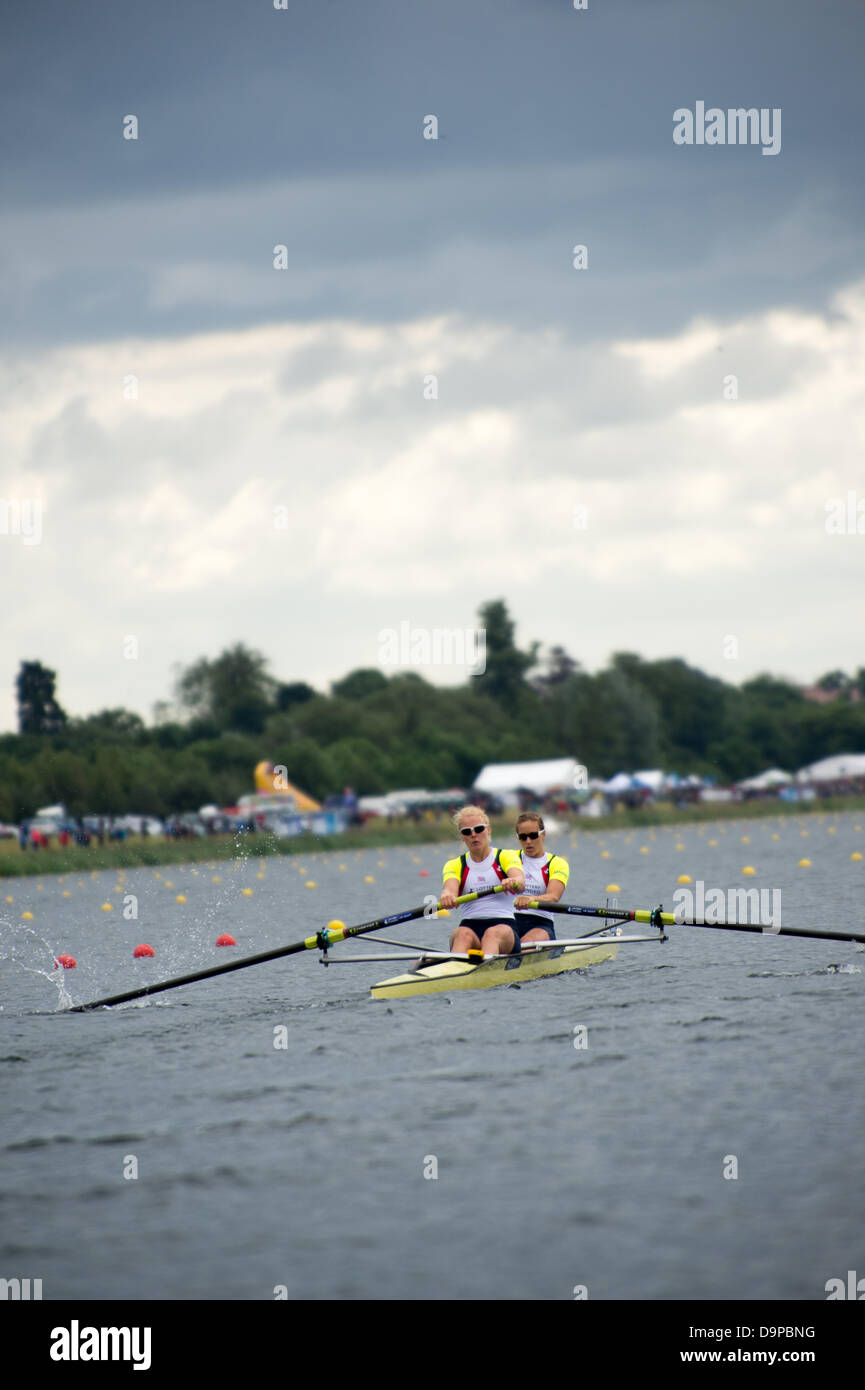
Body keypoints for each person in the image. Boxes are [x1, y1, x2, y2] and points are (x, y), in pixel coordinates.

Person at [439, 806, 524, 957]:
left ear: (488, 830)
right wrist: (447, 896)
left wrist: (513, 881)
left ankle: (483, 967)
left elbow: (520, 882)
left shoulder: (505, 856)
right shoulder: (454, 865)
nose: (473, 835)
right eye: (467, 831)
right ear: (462, 836)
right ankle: (455, 968)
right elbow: (450, 889)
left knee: (492, 934)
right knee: (461, 933)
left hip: (504, 928)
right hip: (470, 926)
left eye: (478, 829)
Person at [512, 812, 569, 943]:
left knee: (525, 944)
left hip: (540, 924)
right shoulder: (509, 858)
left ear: (543, 834)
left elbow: (553, 897)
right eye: (523, 837)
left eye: (533, 835)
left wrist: (530, 899)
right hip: (509, 921)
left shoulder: (556, 863)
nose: (528, 841)